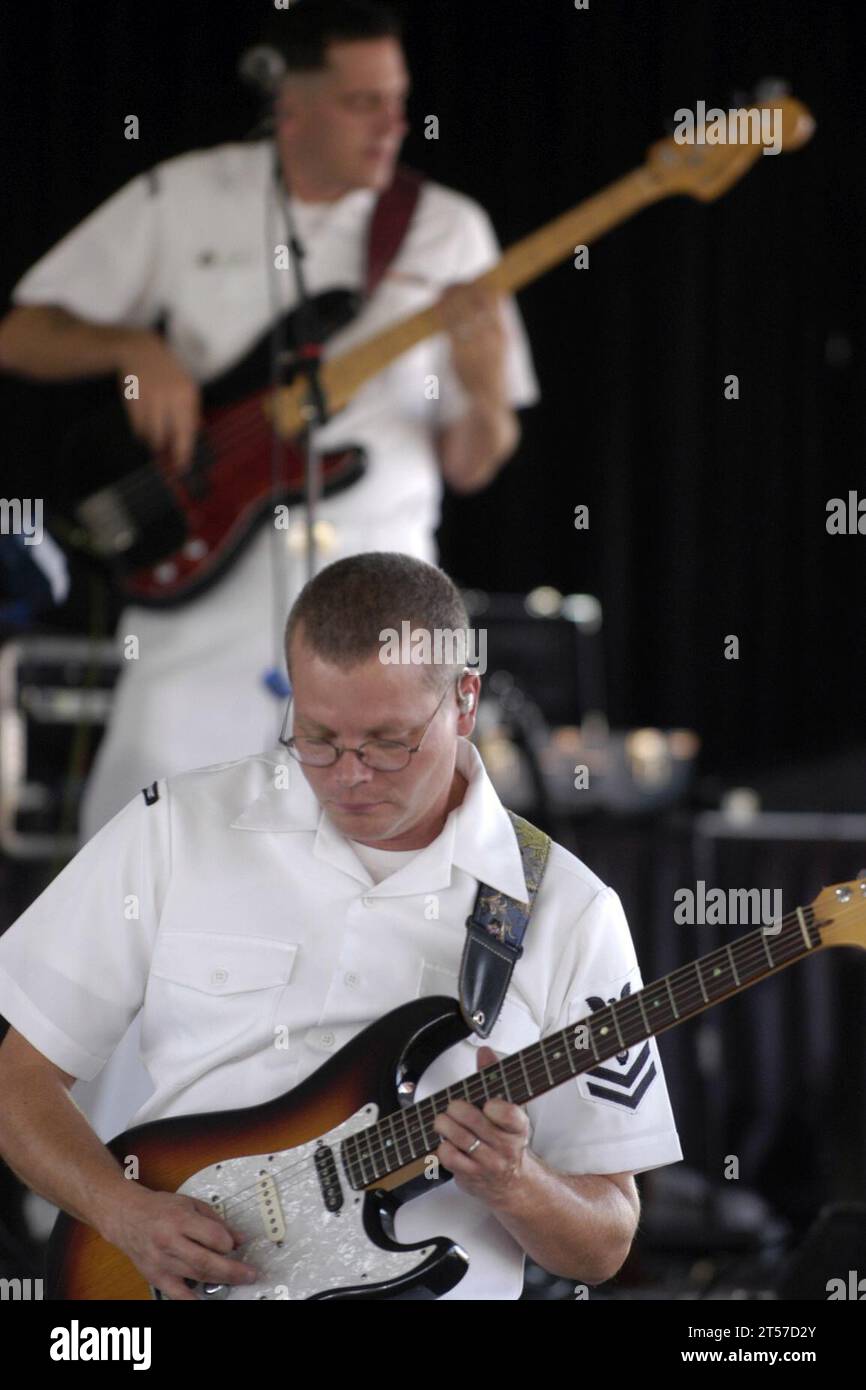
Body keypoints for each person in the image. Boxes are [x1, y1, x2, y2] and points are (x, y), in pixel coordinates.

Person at [0, 553, 682, 1302]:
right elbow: (18, 1081)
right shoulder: (180, 827)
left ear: (465, 701)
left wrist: (516, 1183)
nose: (350, 773)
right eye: (318, 738)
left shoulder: (568, 908)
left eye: (389, 743)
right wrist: (121, 1211)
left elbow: (607, 1238)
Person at [0, 0, 539, 843]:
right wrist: (131, 346)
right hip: (203, 592)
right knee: (145, 854)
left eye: (398, 100)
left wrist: (486, 389)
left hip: (384, 606)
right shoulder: (185, 196)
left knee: (387, 859)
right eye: (364, 102)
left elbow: (475, 462)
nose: (393, 124)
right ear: (290, 103)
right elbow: (22, 332)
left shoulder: (449, 230)